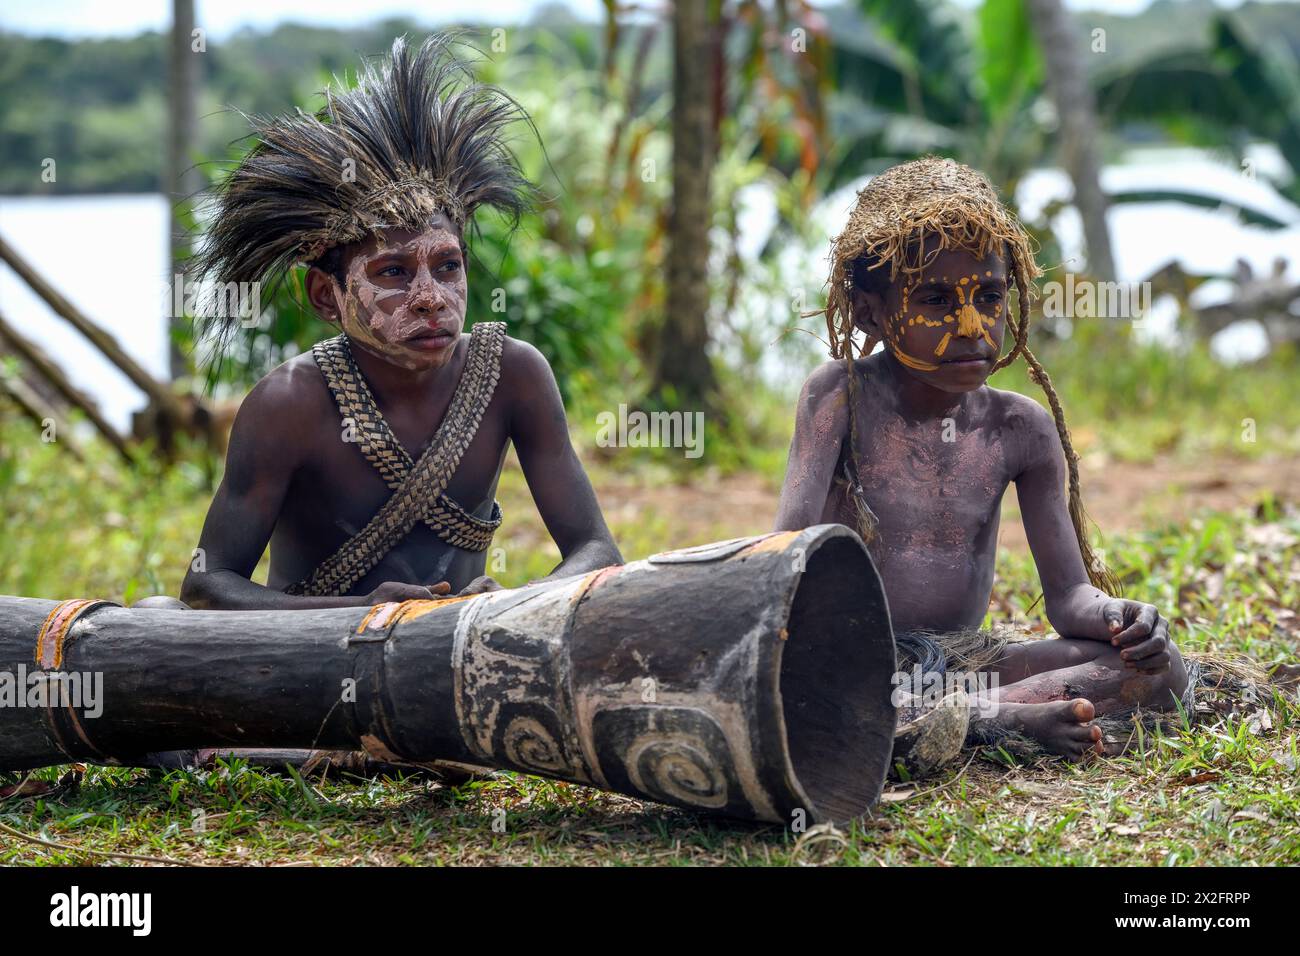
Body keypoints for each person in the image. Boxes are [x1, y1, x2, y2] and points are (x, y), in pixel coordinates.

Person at [775, 156, 1188, 761]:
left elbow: (1071, 596)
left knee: (1160, 669)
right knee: (816, 695)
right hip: (851, 662)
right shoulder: (838, 395)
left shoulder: (1020, 427)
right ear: (870, 310)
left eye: (989, 296)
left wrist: (1120, 617)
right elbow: (788, 556)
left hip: (963, 665)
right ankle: (998, 722)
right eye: (937, 299)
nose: (972, 326)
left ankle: (974, 719)